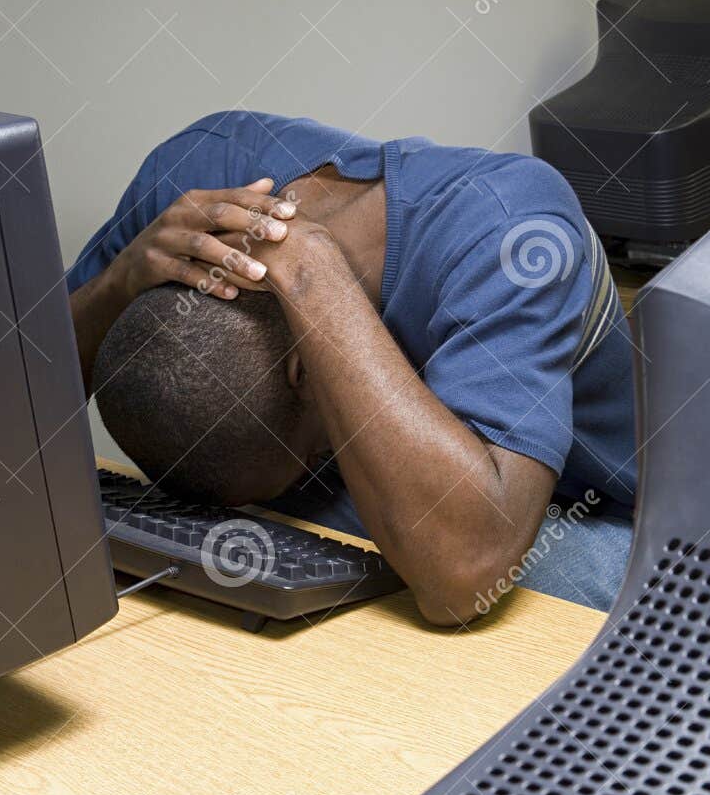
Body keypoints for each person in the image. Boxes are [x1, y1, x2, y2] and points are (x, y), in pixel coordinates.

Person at [68, 110, 637, 625]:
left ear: (306, 372)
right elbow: (1, 433)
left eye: (309, 458)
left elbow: (465, 574)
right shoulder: (189, 181)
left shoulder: (510, 230)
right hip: (394, 503)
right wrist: (117, 283)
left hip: (569, 511)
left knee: (416, 579)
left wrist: (312, 270)